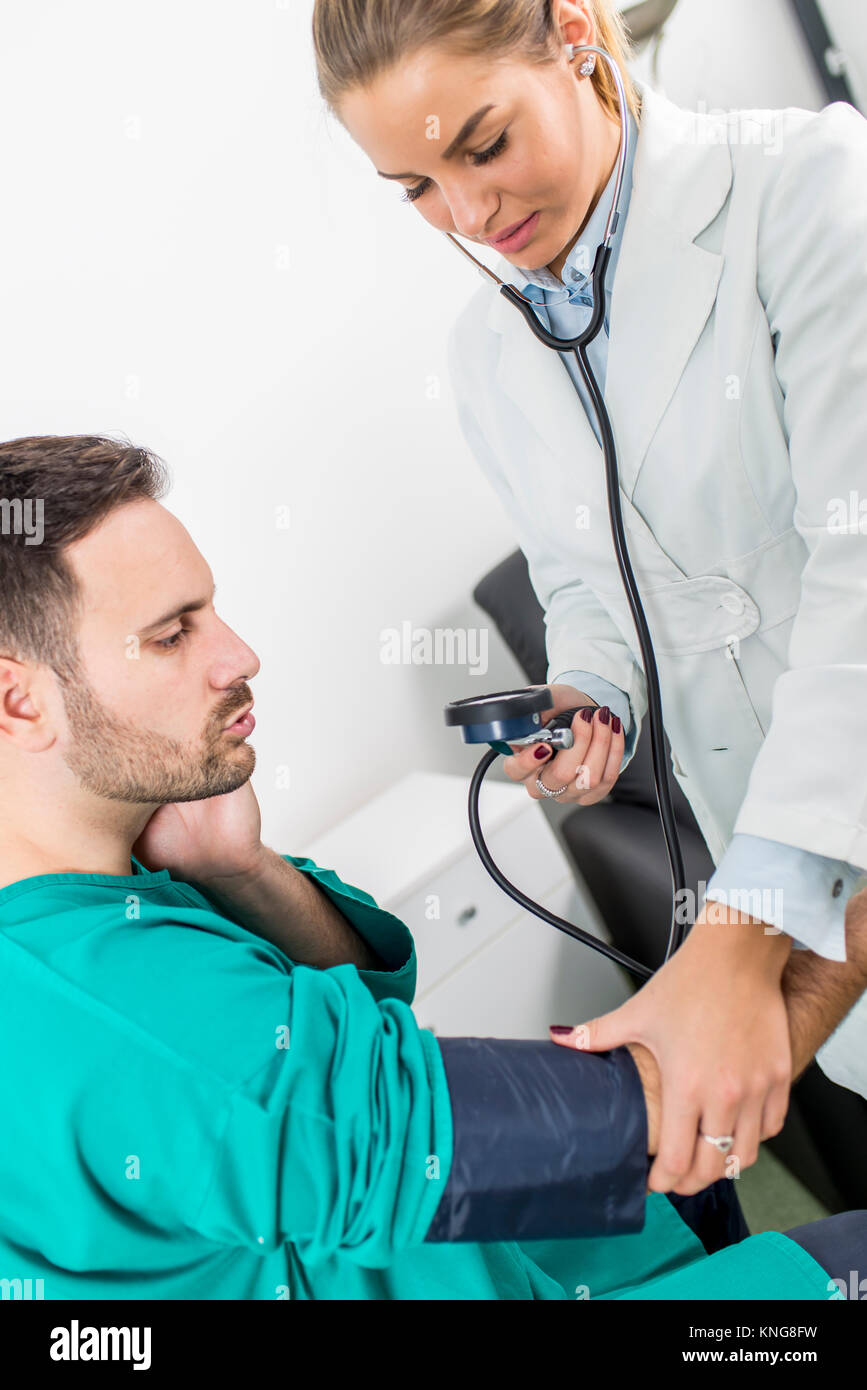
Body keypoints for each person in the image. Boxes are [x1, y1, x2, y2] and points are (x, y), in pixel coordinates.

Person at [0, 433, 865, 1301]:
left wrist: (240, 869)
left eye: (210, 612)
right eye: (171, 636)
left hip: (477, 1244)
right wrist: (845, 914)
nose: (239, 657)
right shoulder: (126, 1006)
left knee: (679, 1195)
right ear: (19, 700)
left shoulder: (121, 882)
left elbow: (363, 1013)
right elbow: (690, 1094)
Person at [311, 0, 867, 1195]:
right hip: (776, 843)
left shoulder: (808, 191)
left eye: (483, 143)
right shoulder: (491, 353)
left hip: (801, 847)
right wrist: (590, 691)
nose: (467, 217)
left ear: (575, 35)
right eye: (412, 186)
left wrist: (742, 927)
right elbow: (583, 574)